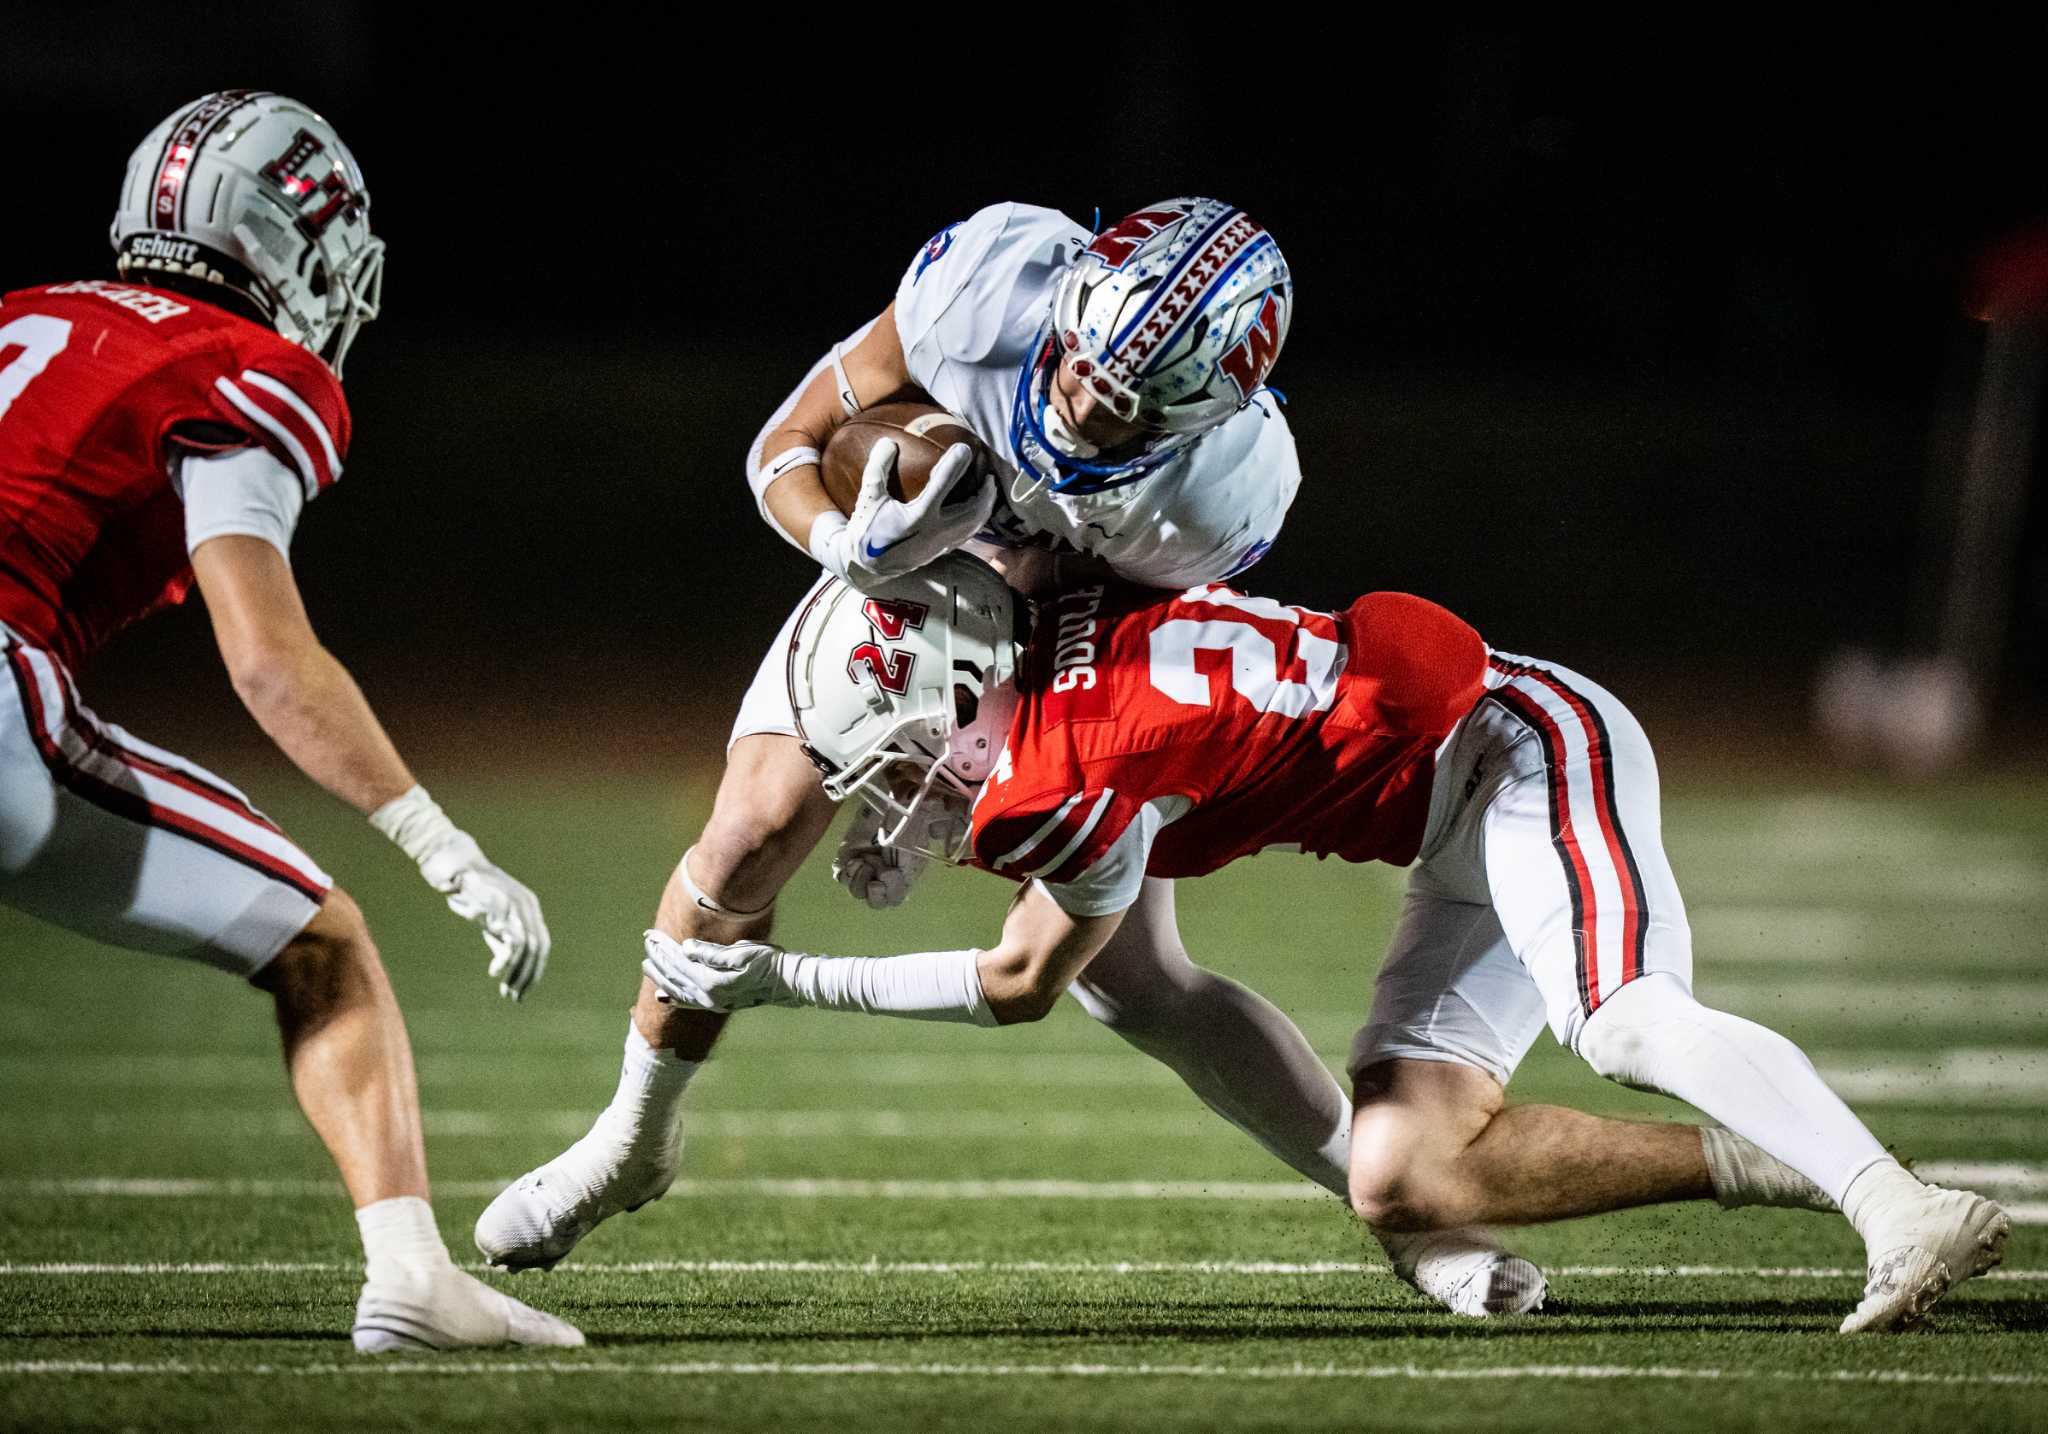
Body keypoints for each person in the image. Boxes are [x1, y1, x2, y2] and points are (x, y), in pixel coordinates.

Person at [477, 199, 1545, 1315]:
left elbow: (1110, 655)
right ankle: (629, 1140)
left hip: (1069, 641)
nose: (1080, 397)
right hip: (905, 568)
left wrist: (952, 766)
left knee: (1134, 984)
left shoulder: (1221, 494)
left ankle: (1412, 1224)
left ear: (1202, 413)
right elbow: (788, 443)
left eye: (1125, 400)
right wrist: (844, 537)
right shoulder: (988, 285)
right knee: (742, 837)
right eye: (1078, 355)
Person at [641, 556, 2011, 1334]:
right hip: (1449, 810)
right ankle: (1785, 1155)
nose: (897, 791)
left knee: (1625, 1016)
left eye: (901, 751)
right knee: (1400, 1172)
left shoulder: (1057, 767)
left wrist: (777, 975)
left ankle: (1902, 1207)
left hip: (1524, 744)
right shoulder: (1064, 608)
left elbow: (1018, 982)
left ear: (960, 687)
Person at [0, 91, 581, 1354]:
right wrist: (443, 846)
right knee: (323, 943)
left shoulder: (23, 315)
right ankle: (414, 1284)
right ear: (287, 244)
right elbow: (268, 661)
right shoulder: (239, 368)